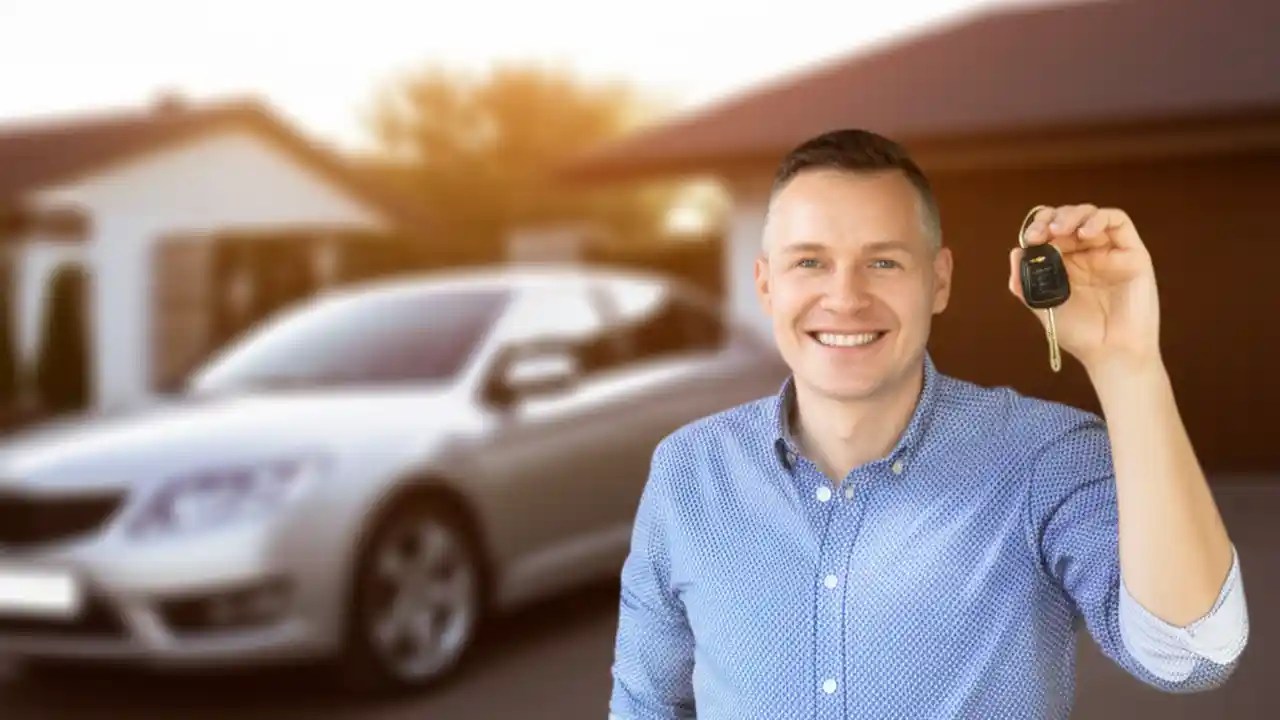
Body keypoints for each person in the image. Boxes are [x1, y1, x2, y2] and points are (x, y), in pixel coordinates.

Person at [607, 129, 1249, 719]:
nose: (846, 297)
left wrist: (1127, 361)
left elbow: (1191, 654)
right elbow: (644, 707)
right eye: (810, 262)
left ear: (938, 282)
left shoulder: (1041, 457)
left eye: (883, 262)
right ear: (766, 285)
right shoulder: (688, 470)